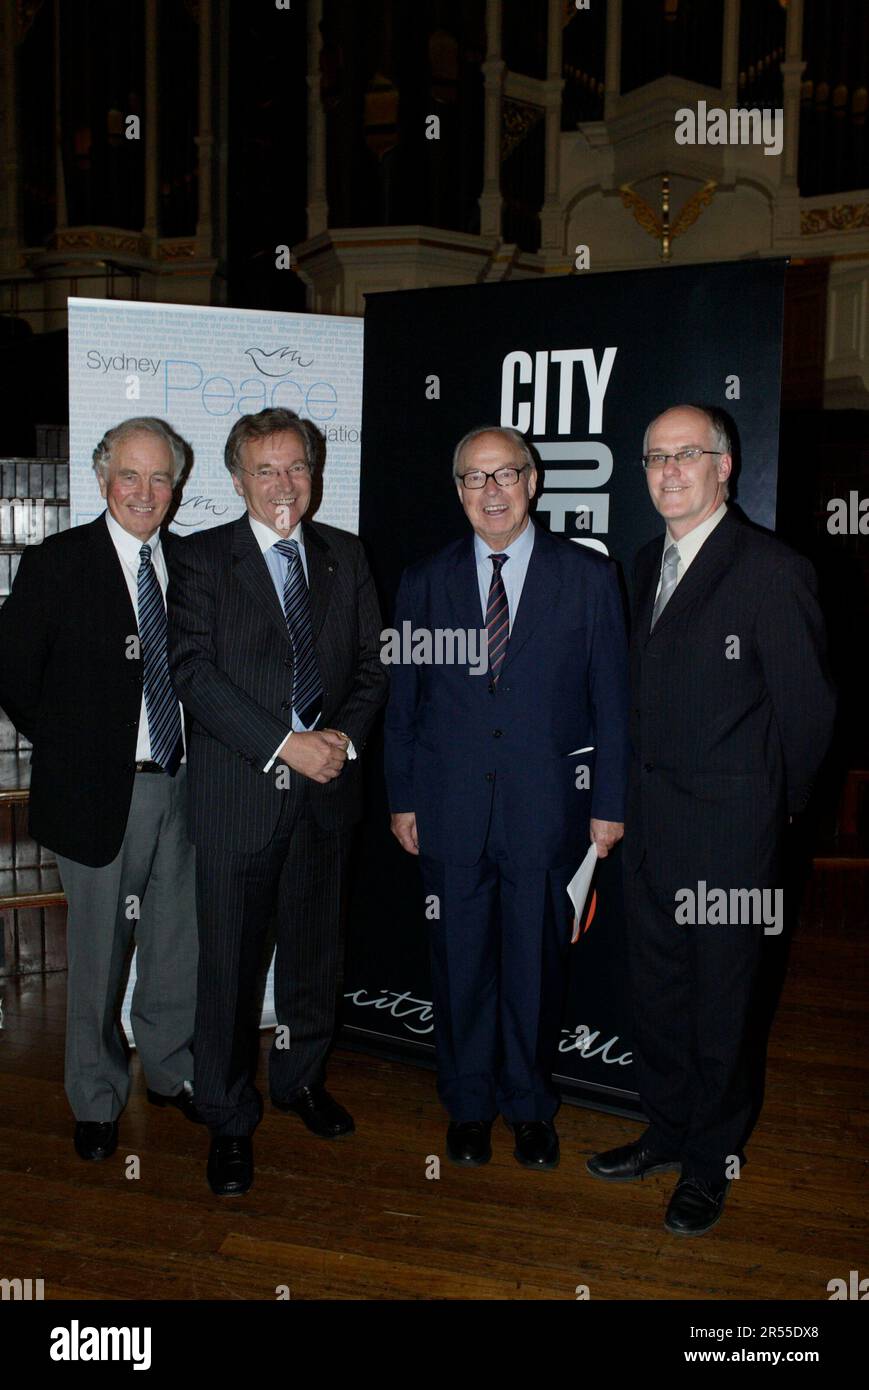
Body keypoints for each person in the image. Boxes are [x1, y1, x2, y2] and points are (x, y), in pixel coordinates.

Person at [588, 404, 836, 1235]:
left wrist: (772, 817)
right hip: (650, 830)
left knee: (723, 1009)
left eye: (684, 456)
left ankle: (709, 1163)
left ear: (722, 466)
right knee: (656, 997)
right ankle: (664, 1132)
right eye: (653, 457)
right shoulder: (638, 563)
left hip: (733, 838)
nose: (667, 472)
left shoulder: (771, 570)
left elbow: (808, 718)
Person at [385, 425, 629, 1170]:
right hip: (449, 808)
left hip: (546, 812)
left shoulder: (586, 578)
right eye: (473, 478)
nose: (490, 492)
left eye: (505, 475)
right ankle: (466, 1104)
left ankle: (528, 1107)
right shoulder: (422, 581)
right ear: (457, 490)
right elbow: (404, 705)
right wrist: (401, 798)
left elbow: (612, 702)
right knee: (458, 964)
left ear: (533, 482)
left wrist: (608, 803)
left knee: (533, 965)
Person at [167, 406, 387, 1196]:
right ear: (236, 480)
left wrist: (341, 742)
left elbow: (373, 663)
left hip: (326, 797)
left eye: (296, 467)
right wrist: (284, 742)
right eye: (266, 470)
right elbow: (191, 672)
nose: (284, 484)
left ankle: (298, 1081)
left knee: (312, 955)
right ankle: (227, 1116)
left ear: (315, 473)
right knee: (226, 970)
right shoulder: (198, 559)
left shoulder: (346, 557)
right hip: (239, 799)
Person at [0, 417, 200, 1162]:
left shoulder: (194, 564)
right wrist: (76, 748)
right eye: (129, 475)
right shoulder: (58, 562)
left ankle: (171, 1072)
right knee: (97, 955)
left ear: (175, 489)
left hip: (184, 789)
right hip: (95, 797)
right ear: (102, 478)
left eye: (158, 478)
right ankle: (94, 1096)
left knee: (179, 942)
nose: (143, 492)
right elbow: (16, 672)